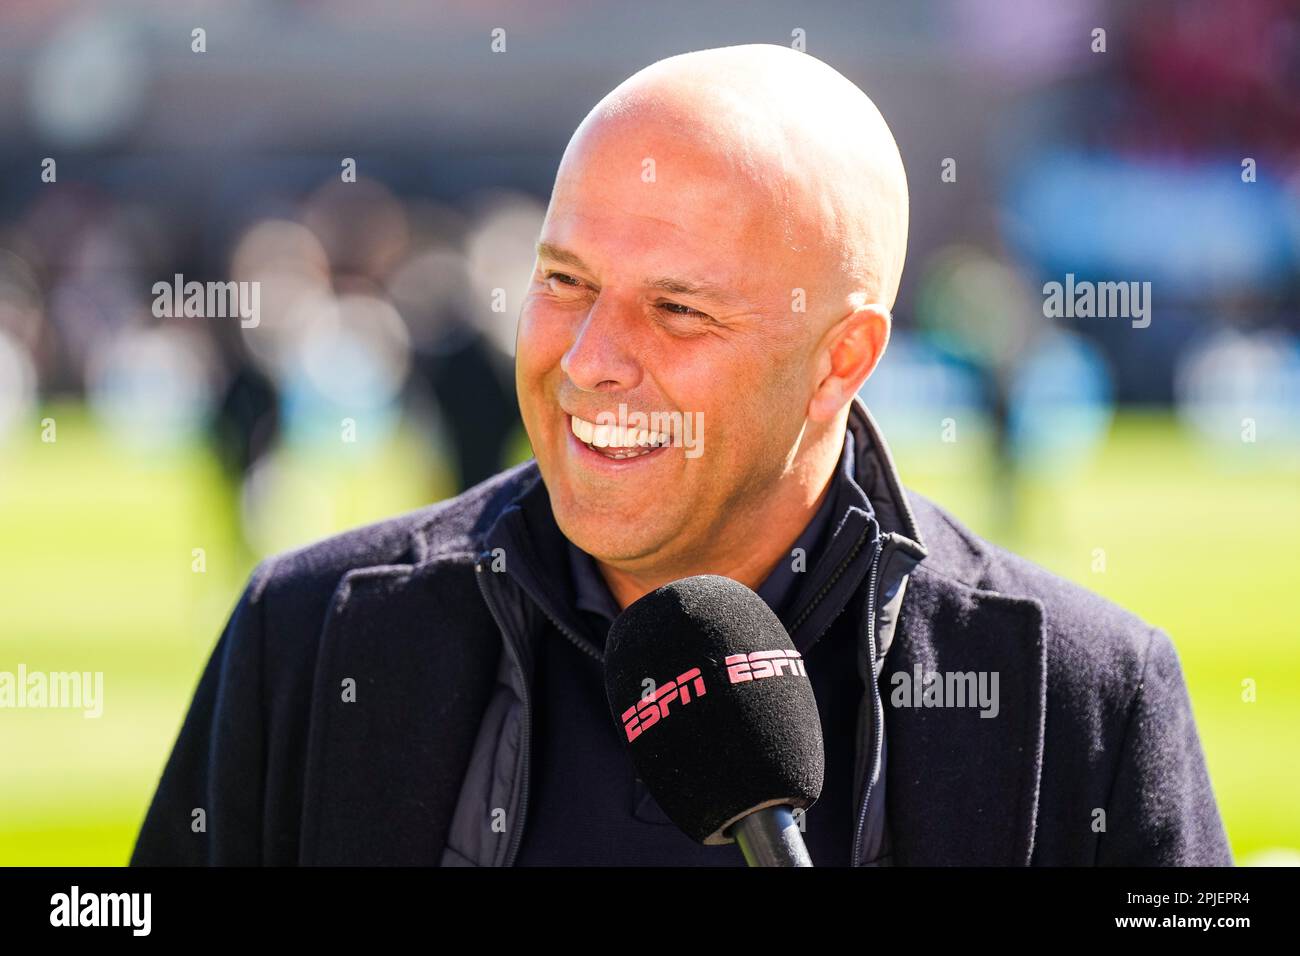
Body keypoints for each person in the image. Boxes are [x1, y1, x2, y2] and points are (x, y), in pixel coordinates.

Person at [131, 44, 1232, 866]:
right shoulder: (312, 634)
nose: (591, 360)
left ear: (838, 358)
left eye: (678, 309)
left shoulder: (1080, 698)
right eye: (563, 281)